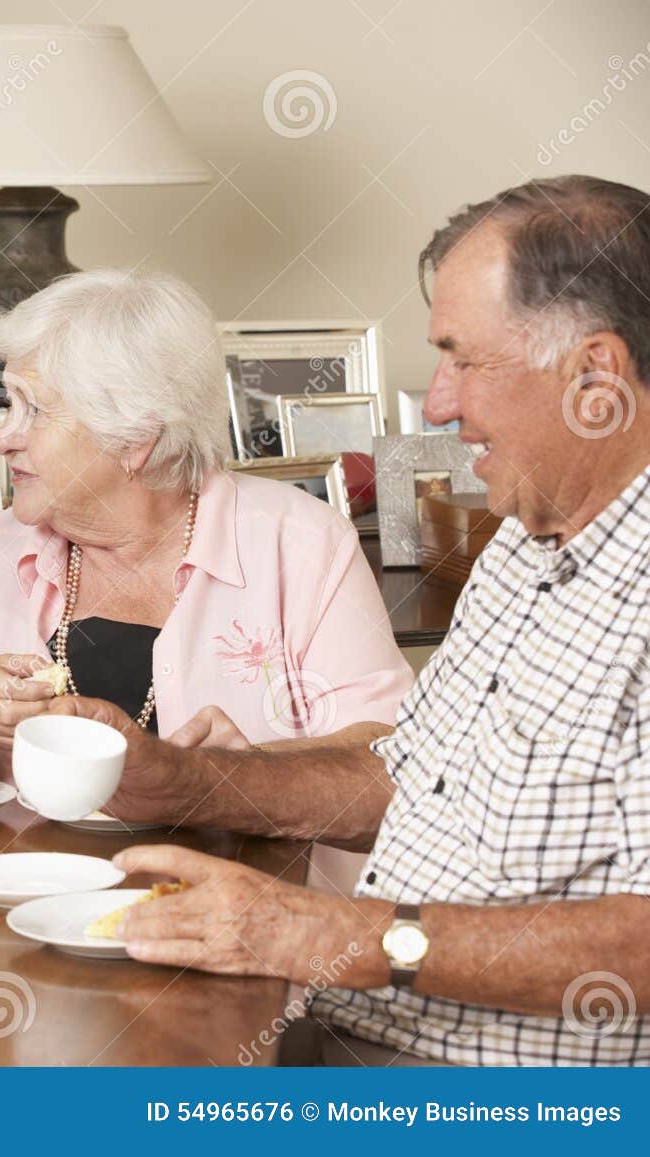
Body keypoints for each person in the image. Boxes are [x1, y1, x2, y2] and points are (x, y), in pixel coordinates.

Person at [46, 175, 650, 1066]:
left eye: (464, 359)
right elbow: (407, 781)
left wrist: (331, 933)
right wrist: (183, 781)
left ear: (594, 377)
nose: (438, 402)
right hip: (356, 1040)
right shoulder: (524, 547)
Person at [0, 270, 412, 845]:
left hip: (231, 908)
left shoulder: (300, 544)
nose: (2, 437)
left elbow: (389, 770)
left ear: (135, 438)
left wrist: (234, 775)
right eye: (7, 405)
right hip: (11, 902)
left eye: (32, 411)